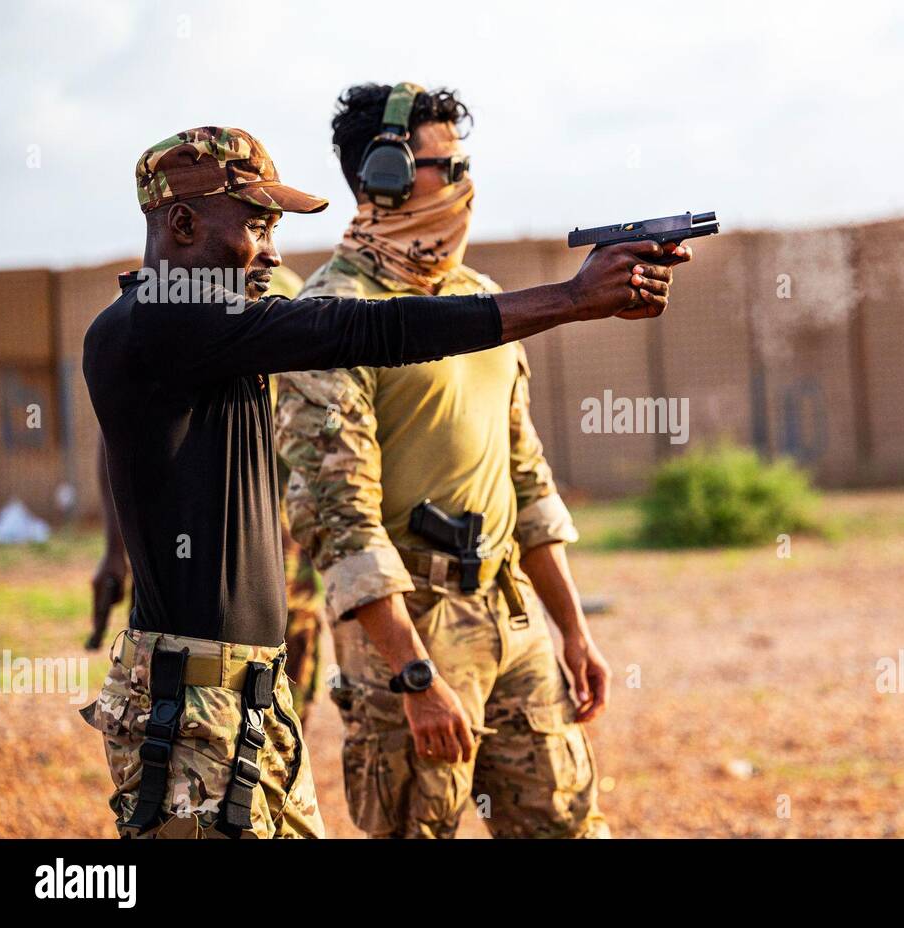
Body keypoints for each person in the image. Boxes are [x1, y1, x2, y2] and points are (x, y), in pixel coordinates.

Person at [80, 125, 688, 838]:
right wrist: (574, 298)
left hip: (247, 694)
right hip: (193, 706)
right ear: (181, 222)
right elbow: (369, 329)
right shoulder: (164, 319)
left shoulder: (186, 326)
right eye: (253, 224)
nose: (272, 252)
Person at [277, 83, 627, 838]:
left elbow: (525, 477)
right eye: (447, 164)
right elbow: (339, 523)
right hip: (412, 631)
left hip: (511, 615)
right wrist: (412, 673)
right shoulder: (328, 318)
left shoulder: (482, 300)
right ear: (386, 176)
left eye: (466, 161)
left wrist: (572, 629)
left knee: (566, 823)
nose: (465, 180)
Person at [88, 269, 325, 728]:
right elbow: (117, 429)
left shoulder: (297, 296)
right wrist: (114, 551)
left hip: (284, 537)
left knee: (286, 707)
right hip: (188, 537)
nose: (266, 245)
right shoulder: (170, 306)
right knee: (177, 697)